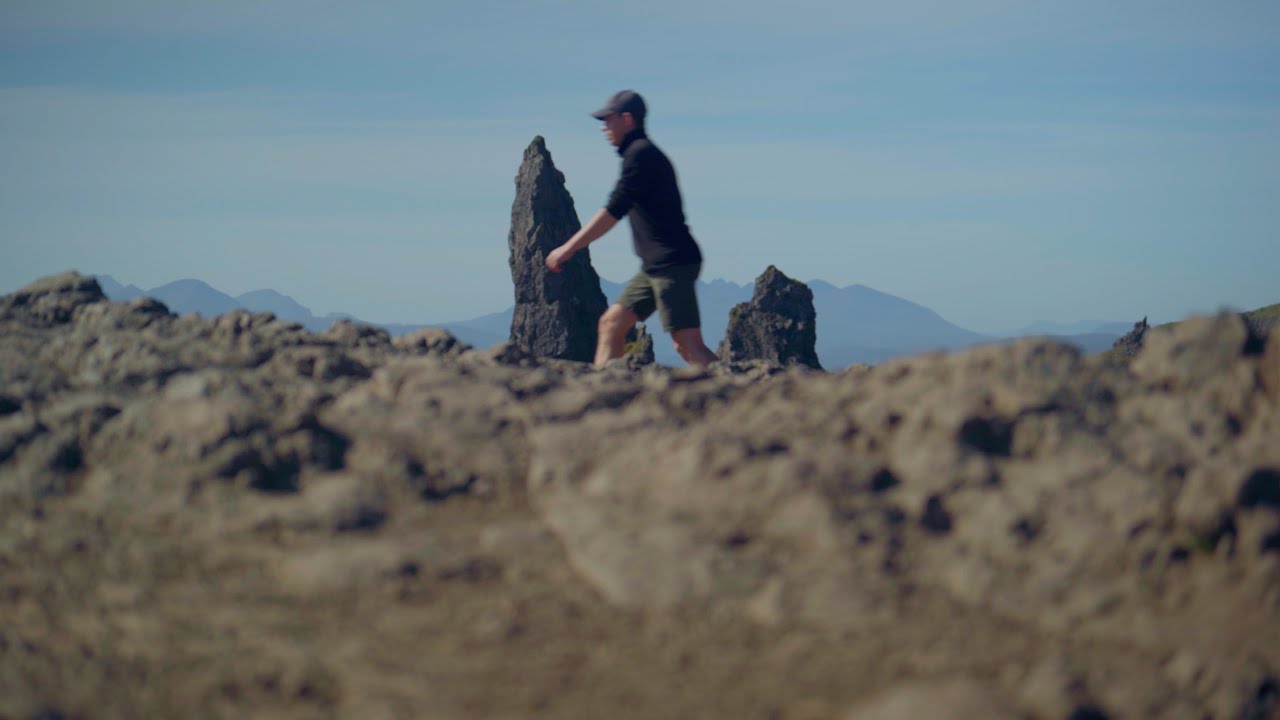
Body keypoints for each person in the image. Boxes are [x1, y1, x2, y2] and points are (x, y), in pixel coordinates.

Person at [545, 90, 719, 368]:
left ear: (627, 120)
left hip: (672, 263)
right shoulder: (639, 155)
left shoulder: (642, 156)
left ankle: (745, 395)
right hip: (656, 266)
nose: (604, 127)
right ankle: (603, 394)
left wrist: (568, 248)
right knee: (611, 324)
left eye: (608, 119)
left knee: (687, 345)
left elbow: (614, 210)